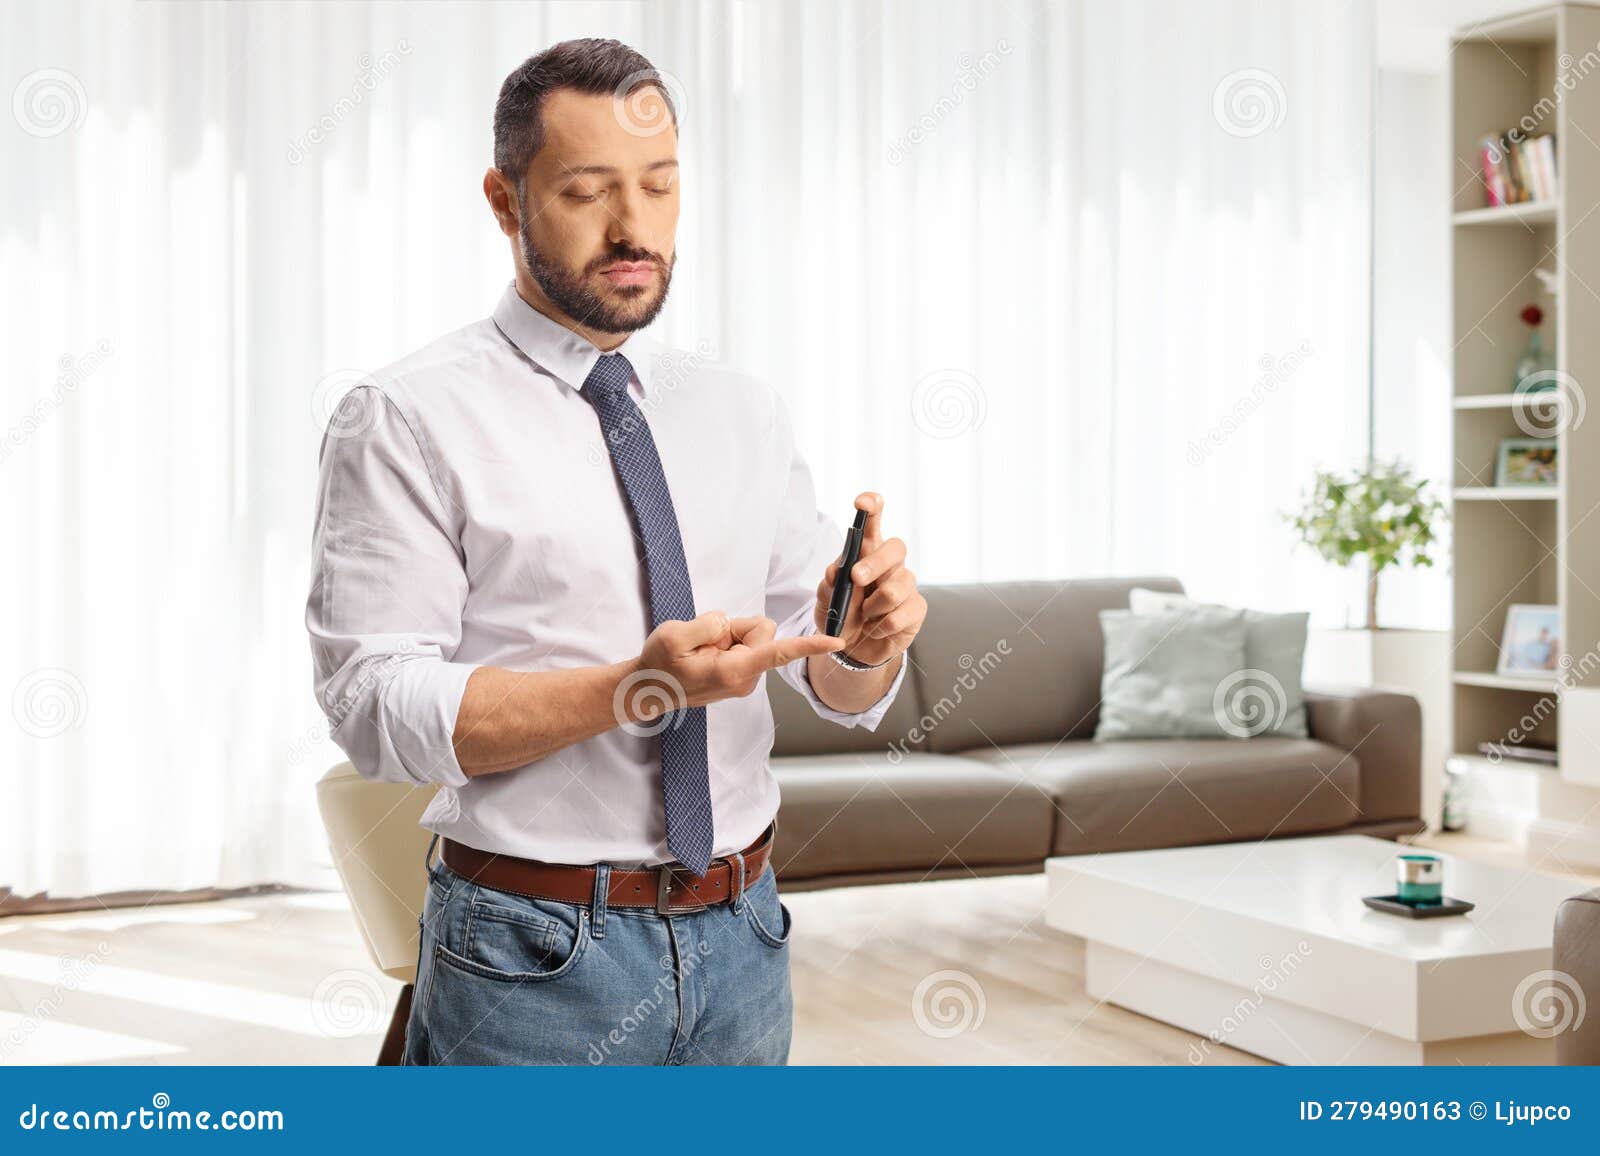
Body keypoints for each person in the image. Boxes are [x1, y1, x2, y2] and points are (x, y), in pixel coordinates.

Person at [304, 37, 926, 1066]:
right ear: (505, 201)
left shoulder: (739, 408)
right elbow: (371, 704)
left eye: (659, 185)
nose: (634, 228)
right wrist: (637, 688)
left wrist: (865, 642)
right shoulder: (406, 416)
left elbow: (830, 675)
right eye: (588, 191)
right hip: (531, 952)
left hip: (746, 932)